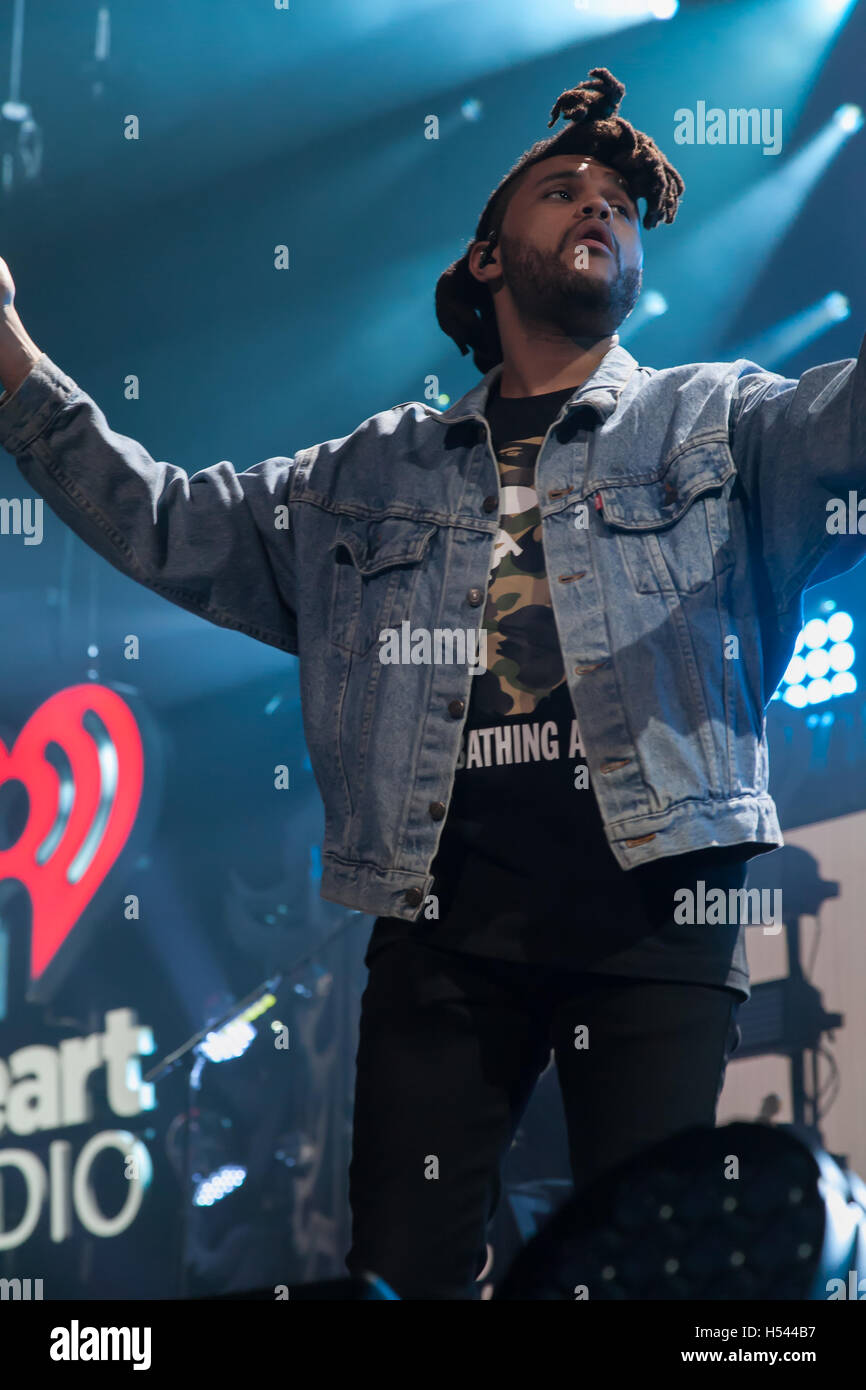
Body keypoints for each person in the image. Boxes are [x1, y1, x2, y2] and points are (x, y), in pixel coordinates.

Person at [1, 67, 863, 1301]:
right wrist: (14, 360)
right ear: (485, 259)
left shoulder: (719, 423)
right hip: (440, 928)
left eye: (620, 202)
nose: (600, 205)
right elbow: (165, 517)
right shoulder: (368, 474)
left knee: (653, 1270)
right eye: (563, 189)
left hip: (655, 909)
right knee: (400, 1275)